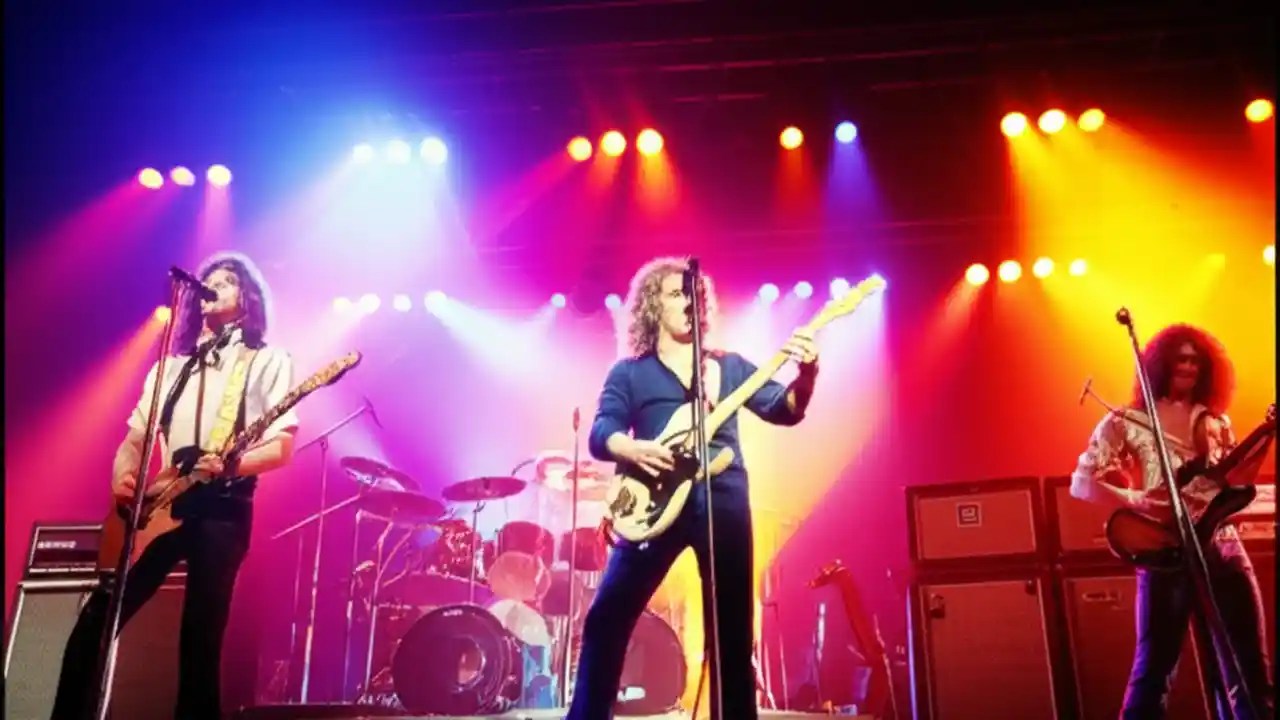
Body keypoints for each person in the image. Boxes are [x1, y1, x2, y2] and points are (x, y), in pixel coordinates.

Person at [566, 257, 820, 720]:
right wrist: (634, 449)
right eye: (677, 293)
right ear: (651, 306)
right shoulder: (630, 372)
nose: (689, 301)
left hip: (720, 498)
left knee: (732, 632)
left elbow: (784, 409)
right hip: (653, 504)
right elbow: (602, 432)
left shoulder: (730, 367)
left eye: (694, 294)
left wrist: (807, 376)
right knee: (606, 619)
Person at [52, 252, 299, 719]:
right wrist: (122, 477)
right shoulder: (169, 368)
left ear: (247, 298)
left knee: (201, 635)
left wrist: (229, 467)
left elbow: (281, 448)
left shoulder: (267, 360)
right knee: (99, 616)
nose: (212, 287)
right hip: (161, 505)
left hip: (222, 506)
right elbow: (135, 437)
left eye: (226, 282)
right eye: (208, 281)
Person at [1071, 323, 1273, 719]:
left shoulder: (1215, 422)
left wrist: (1260, 447)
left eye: (1196, 360)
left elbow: (1232, 485)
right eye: (1180, 358)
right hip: (1164, 552)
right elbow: (1082, 483)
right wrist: (1137, 500)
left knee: (1249, 670)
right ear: (1160, 362)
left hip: (1223, 547)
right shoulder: (1126, 421)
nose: (1188, 367)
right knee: (1154, 671)